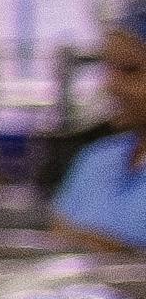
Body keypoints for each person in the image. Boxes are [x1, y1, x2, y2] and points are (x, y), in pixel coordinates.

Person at [56, 19, 146, 249]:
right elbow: (54, 246)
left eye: (130, 70)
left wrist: (110, 258)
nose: (110, 85)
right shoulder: (97, 158)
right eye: (109, 68)